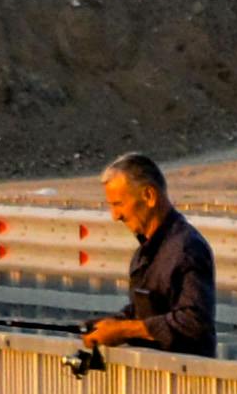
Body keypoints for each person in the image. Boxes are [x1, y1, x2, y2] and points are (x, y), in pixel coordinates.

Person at [76, 152, 217, 370]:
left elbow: (194, 323)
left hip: (188, 388)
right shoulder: (145, 251)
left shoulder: (187, 247)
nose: (115, 215)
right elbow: (144, 313)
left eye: (119, 204)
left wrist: (123, 330)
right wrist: (108, 325)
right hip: (156, 386)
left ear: (149, 196)